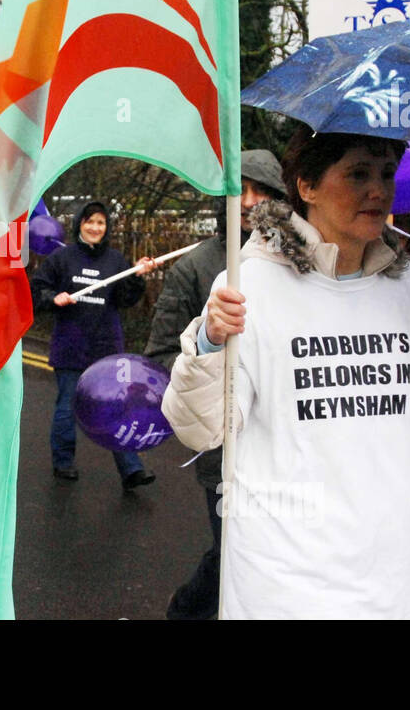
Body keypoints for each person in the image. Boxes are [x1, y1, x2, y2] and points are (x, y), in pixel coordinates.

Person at [161, 127, 410, 619]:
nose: (378, 190)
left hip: (381, 576)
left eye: (387, 173)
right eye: (358, 173)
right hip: (280, 578)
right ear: (307, 186)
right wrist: (210, 341)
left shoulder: (409, 286)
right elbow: (200, 427)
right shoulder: (249, 282)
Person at [144, 149, 285, 620]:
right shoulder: (196, 268)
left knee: (275, 557)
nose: (248, 201)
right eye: (238, 190)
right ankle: (186, 612)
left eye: (260, 190)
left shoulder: (300, 267)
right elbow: (161, 354)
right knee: (232, 552)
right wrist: (208, 351)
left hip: (285, 444)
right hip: (223, 446)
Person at [30, 201, 159, 490]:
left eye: (100, 223)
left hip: (106, 349)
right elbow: (36, 288)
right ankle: (63, 462)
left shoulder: (115, 261)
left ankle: (131, 469)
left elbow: (126, 299)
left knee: (117, 408)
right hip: (70, 347)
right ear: (79, 224)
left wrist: (137, 277)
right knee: (67, 407)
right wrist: (53, 298)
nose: (95, 227)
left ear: (106, 228)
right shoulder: (62, 259)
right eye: (90, 222)